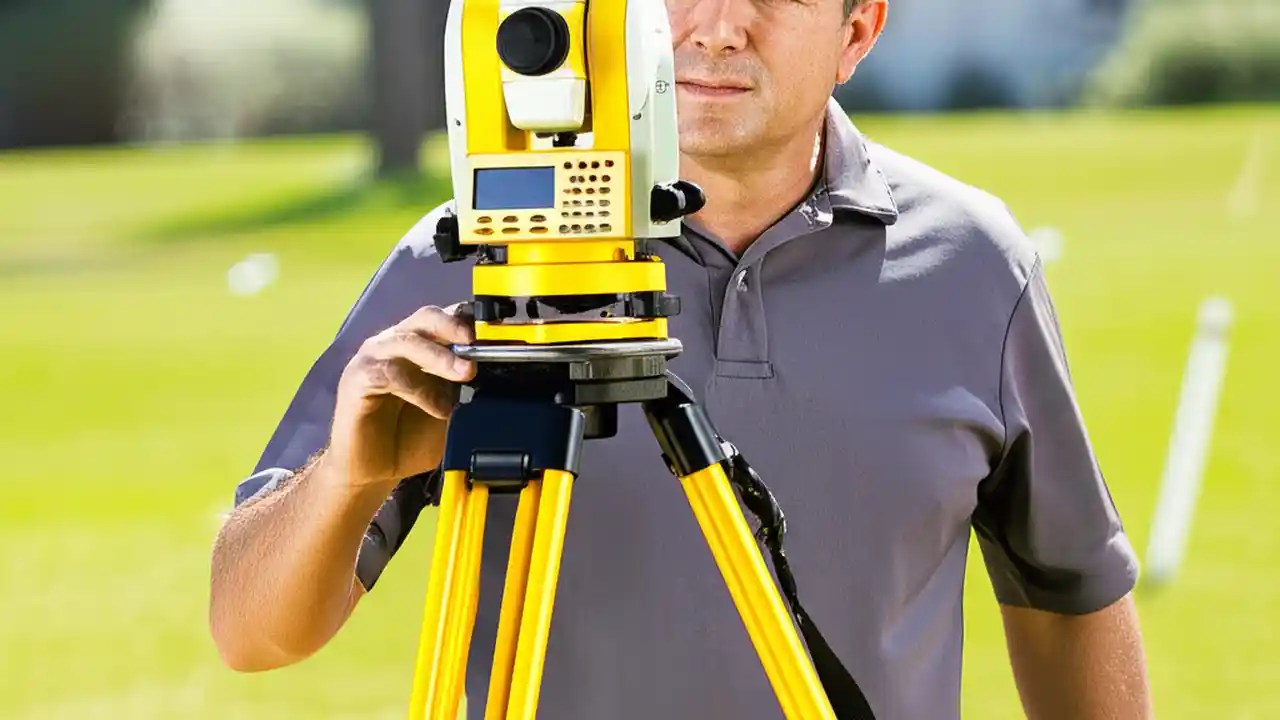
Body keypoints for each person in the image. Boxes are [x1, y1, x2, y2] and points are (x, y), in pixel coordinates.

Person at [209, 0, 1154, 717]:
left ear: (857, 29)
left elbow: (1070, 597)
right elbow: (249, 632)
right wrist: (344, 478)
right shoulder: (469, 261)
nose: (718, 27)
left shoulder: (975, 263)